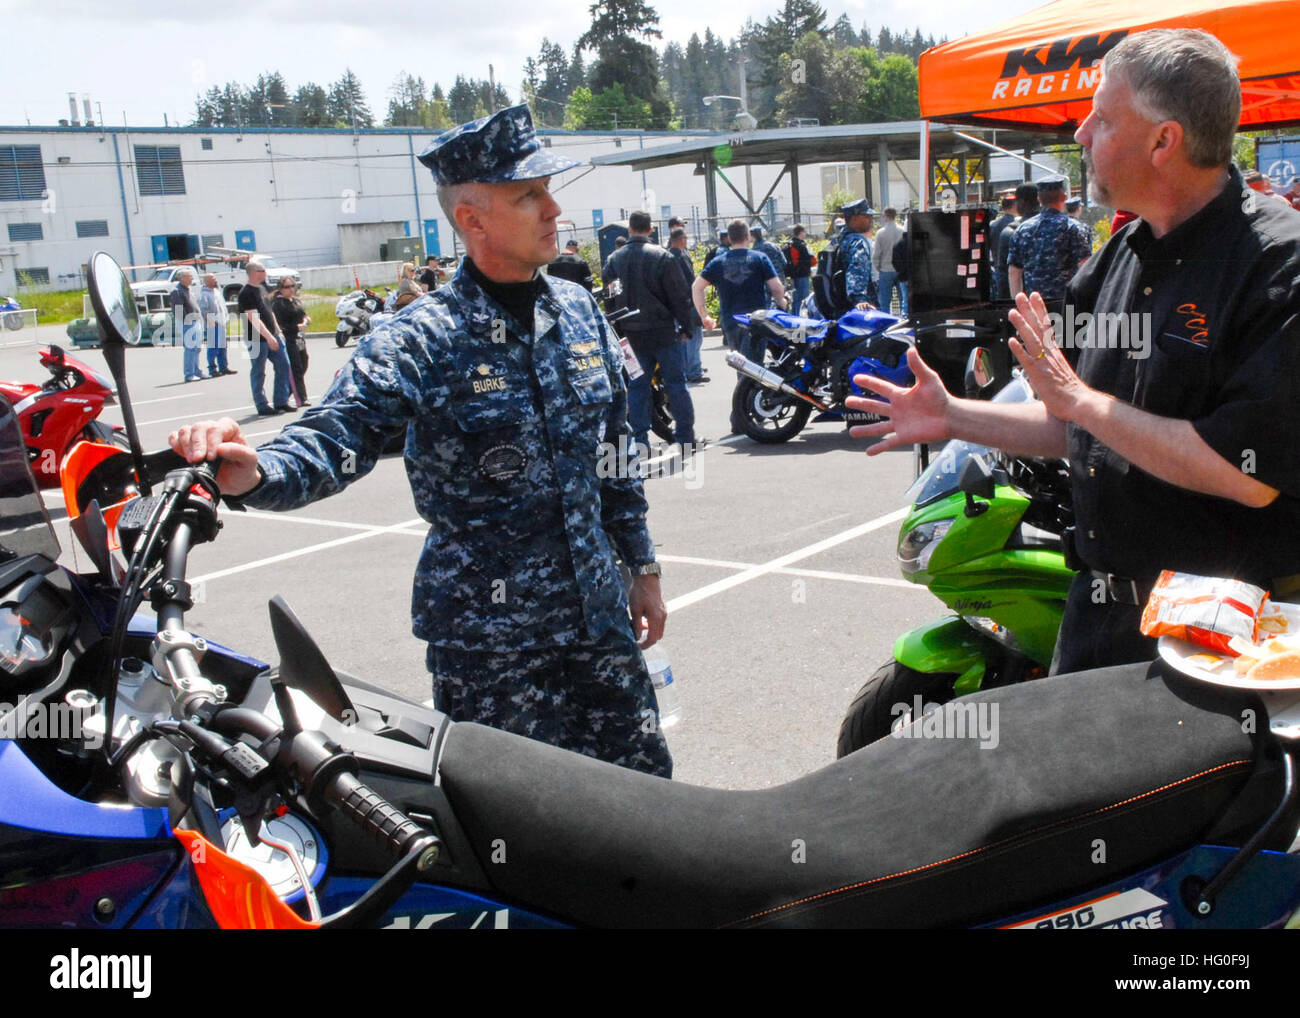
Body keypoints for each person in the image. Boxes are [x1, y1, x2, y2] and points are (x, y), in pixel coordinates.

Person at [168, 104, 672, 778]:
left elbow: (617, 458)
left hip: (599, 621)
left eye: (549, 191)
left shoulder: (579, 310)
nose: (555, 210)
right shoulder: (419, 338)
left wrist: (642, 570)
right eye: (529, 195)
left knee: (640, 800)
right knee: (512, 830)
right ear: (472, 219)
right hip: (493, 648)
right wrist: (258, 472)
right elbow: (336, 433)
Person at [847, 28, 1300, 676]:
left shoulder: (1278, 264)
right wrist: (954, 417)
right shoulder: (1118, 255)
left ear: (1163, 141)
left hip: (1223, 639)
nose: (1082, 134)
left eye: (1102, 118)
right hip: (1098, 615)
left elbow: (1246, 473)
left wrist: (1084, 404)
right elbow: (1076, 427)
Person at [603, 210, 698, 453]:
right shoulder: (663, 257)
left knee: (637, 387)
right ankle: (685, 436)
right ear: (650, 230)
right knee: (676, 384)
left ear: (630, 229)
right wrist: (686, 326)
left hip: (631, 335)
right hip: (663, 332)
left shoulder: (615, 260)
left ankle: (641, 440)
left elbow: (611, 300)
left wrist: (616, 330)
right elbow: (678, 296)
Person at [693, 219, 785, 433]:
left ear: (729, 238)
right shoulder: (759, 258)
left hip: (730, 322)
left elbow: (697, 287)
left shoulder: (718, 261)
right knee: (754, 368)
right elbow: (776, 287)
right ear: (748, 237)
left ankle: (742, 414)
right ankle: (744, 415)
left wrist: (704, 316)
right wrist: (782, 303)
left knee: (740, 367)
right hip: (755, 321)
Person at [1007, 175, 1092, 303]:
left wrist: (1019, 305)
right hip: (1067, 304)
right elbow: (1085, 267)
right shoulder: (1074, 228)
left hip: (1036, 306)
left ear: (1039, 199)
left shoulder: (1022, 229)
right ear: (1064, 197)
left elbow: (1014, 272)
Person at [237, 260, 295, 416]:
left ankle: (281, 401)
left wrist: (277, 332)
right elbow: (253, 317)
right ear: (254, 272)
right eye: (262, 270)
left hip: (273, 336)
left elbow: (270, 312)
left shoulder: (262, 289)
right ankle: (262, 404)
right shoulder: (246, 293)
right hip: (257, 339)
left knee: (284, 365)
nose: (265, 272)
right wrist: (269, 337)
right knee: (258, 371)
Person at [668, 227, 708, 384]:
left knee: (682, 339)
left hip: (674, 303)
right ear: (682, 239)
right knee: (695, 337)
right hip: (688, 302)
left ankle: (685, 370)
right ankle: (693, 371)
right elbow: (691, 281)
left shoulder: (666, 256)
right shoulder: (681, 257)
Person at [271, 277, 311, 408]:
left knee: (304, 362)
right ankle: (302, 397)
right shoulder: (279, 304)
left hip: (299, 338)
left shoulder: (296, 301)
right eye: (287, 287)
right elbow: (279, 324)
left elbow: (302, 314)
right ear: (281, 289)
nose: (291, 289)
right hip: (289, 338)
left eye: (293, 286)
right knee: (296, 367)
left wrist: (306, 319)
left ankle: (286, 391)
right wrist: (295, 327)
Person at [996, 184, 1040, 302]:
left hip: (1025, 301)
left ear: (1021, 202)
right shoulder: (1060, 227)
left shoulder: (1011, 232)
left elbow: (1005, 274)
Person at [835, 198, 876, 308]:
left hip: (840, 304)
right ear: (854, 218)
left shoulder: (839, 239)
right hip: (859, 307)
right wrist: (859, 298)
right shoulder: (858, 242)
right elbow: (857, 267)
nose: (870, 220)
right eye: (866, 216)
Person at [171, 269, 204, 382]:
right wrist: (188, 322)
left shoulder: (188, 289)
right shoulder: (177, 291)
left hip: (195, 321)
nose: (192, 278)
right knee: (190, 348)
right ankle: (189, 374)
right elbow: (179, 311)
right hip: (188, 324)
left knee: (196, 348)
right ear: (182, 278)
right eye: (190, 276)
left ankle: (197, 371)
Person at [199, 273, 234, 377]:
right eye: (213, 279)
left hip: (222, 322)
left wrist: (226, 319)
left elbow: (223, 307)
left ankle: (223, 367)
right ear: (207, 281)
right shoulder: (204, 294)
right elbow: (203, 310)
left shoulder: (217, 292)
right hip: (212, 325)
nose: (215, 280)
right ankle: (212, 369)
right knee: (213, 347)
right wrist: (211, 322)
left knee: (223, 347)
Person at [871, 206, 905, 316]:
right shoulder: (903, 231)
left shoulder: (880, 233)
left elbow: (876, 254)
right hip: (901, 270)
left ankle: (886, 325)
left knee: (885, 302)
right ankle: (903, 321)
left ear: (885, 216)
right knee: (903, 300)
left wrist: (878, 267)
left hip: (885, 270)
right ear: (895, 216)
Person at [987, 193, 1018, 299]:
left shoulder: (992, 225)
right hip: (1016, 272)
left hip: (998, 271)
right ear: (1015, 206)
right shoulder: (1019, 225)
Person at [782, 224, 816, 313]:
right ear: (801, 233)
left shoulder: (788, 245)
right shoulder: (802, 245)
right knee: (804, 299)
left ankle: (794, 316)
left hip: (792, 276)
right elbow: (813, 261)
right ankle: (802, 318)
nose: (805, 233)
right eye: (805, 231)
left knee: (795, 299)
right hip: (803, 275)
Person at [750, 226, 787, 303]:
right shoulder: (773, 246)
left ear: (752, 236)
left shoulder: (753, 251)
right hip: (778, 278)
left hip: (764, 281)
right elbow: (784, 262)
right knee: (780, 303)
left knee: (766, 306)